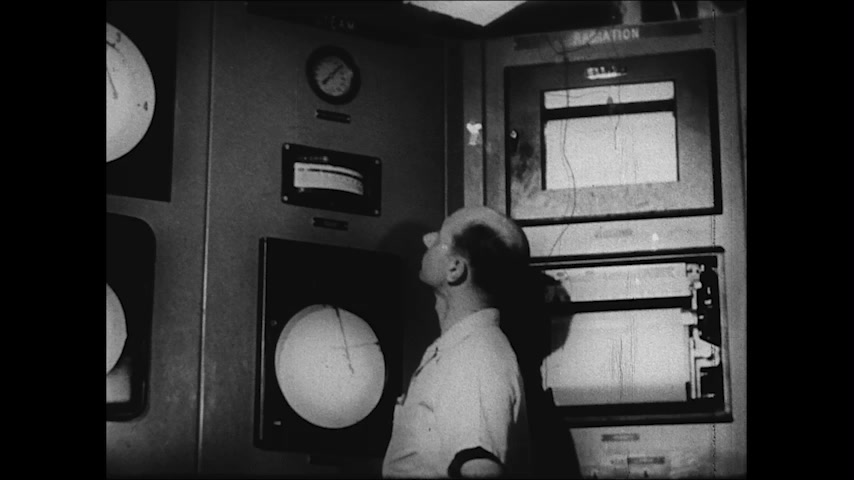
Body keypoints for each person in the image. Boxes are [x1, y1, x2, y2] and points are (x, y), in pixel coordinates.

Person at [382, 206, 532, 478]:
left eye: (440, 238)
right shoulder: (463, 351)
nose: (427, 240)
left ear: (455, 269)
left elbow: (481, 471)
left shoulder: (475, 357)